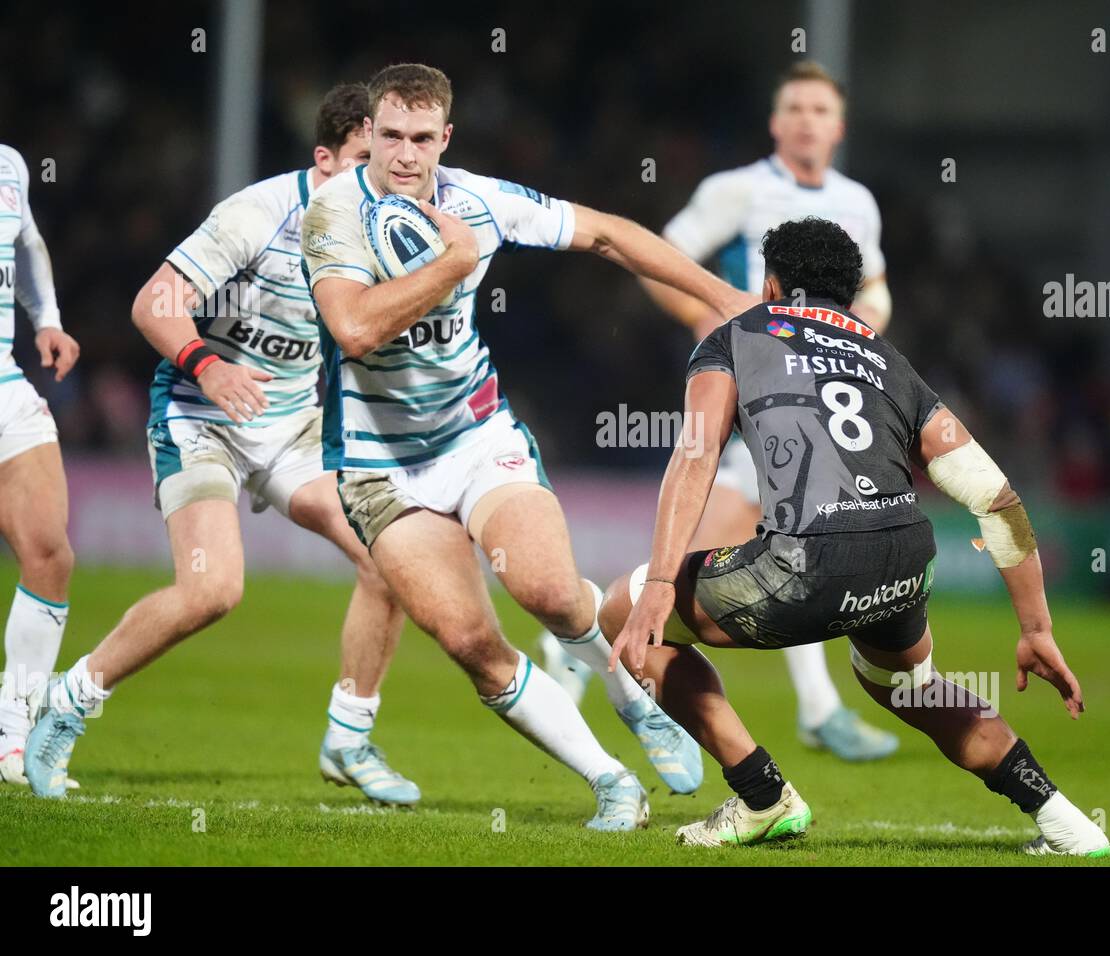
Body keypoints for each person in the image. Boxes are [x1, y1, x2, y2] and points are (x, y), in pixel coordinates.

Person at [295, 63, 759, 827]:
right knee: (472, 642)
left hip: (478, 438)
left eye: (421, 139)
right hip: (380, 468)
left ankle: (640, 707)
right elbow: (355, 329)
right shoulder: (333, 214)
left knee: (548, 592)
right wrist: (452, 264)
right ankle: (612, 781)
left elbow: (607, 235)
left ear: (445, 138)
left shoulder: (479, 198)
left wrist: (722, 297)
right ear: (368, 136)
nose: (404, 155)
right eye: (389, 137)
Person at [600, 217, 1110, 856]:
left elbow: (697, 455)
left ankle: (762, 797)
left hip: (806, 562)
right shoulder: (889, 361)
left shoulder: (738, 335)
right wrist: (1036, 630)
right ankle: (1065, 821)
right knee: (910, 687)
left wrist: (659, 585)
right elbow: (996, 498)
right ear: (850, 293)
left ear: (772, 283)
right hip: (904, 560)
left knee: (621, 608)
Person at [23, 85, 417, 807]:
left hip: (294, 425)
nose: (376, 177)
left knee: (392, 558)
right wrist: (209, 363)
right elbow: (154, 302)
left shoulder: (383, 224)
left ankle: (349, 736)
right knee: (213, 589)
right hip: (201, 416)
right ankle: (68, 701)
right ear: (323, 157)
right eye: (363, 159)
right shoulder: (257, 214)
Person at [543, 63, 898, 762]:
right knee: (741, 545)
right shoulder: (738, 191)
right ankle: (580, 638)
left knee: (789, 531)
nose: (805, 119)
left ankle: (814, 706)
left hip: (810, 399)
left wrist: (860, 334)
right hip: (755, 394)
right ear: (775, 122)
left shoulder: (858, 201)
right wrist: (719, 332)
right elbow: (660, 261)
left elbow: (877, 284)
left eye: (819, 109)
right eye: (793, 107)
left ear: (839, 125)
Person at [0, 143, 81, 786]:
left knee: (50, 555)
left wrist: (46, 319)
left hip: (5, 387)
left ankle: (12, 735)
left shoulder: (10, 165)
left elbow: (26, 243)